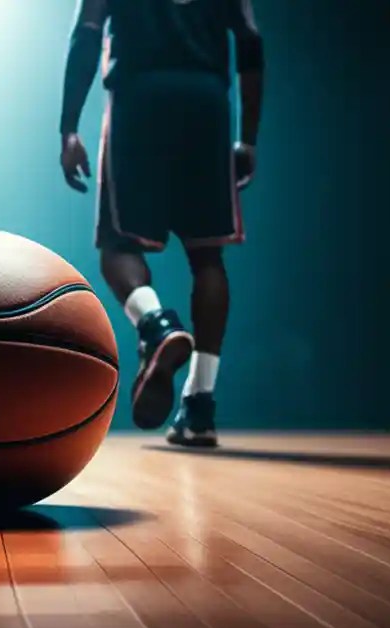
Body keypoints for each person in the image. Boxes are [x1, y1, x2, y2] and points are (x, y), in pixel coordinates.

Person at [58, 0, 263, 447]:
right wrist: (247, 136)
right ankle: (200, 405)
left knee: (117, 248)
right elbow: (249, 39)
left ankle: (156, 327)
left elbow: (87, 33)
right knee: (208, 255)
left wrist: (68, 128)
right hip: (207, 101)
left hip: (140, 98)